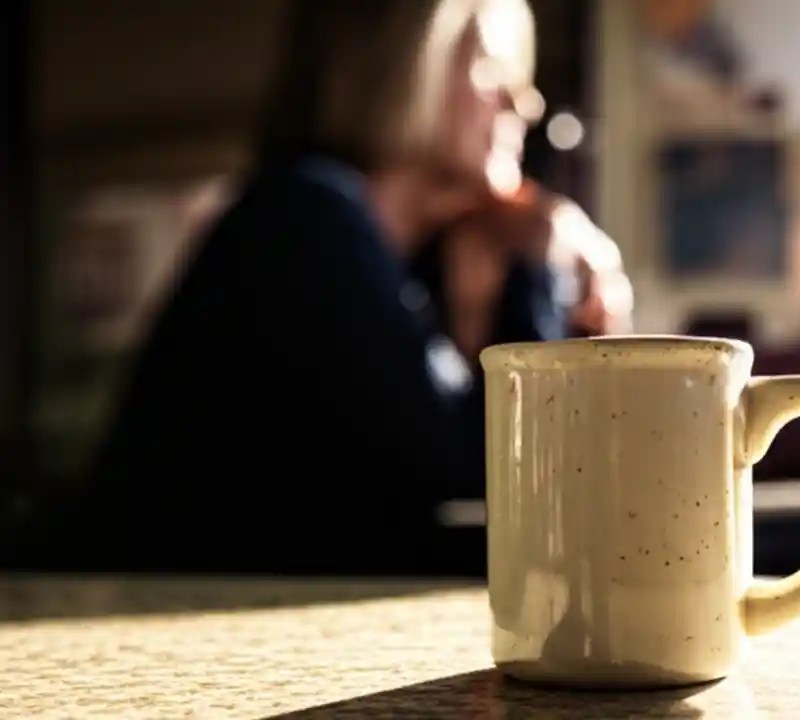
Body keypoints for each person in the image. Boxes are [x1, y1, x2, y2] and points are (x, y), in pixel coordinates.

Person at [31, 0, 564, 573]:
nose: (524, 102)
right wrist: (535, 265)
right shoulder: (306, 215)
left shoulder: (395, 254)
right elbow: (484, 469)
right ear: (402, 69)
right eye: (489, 66)